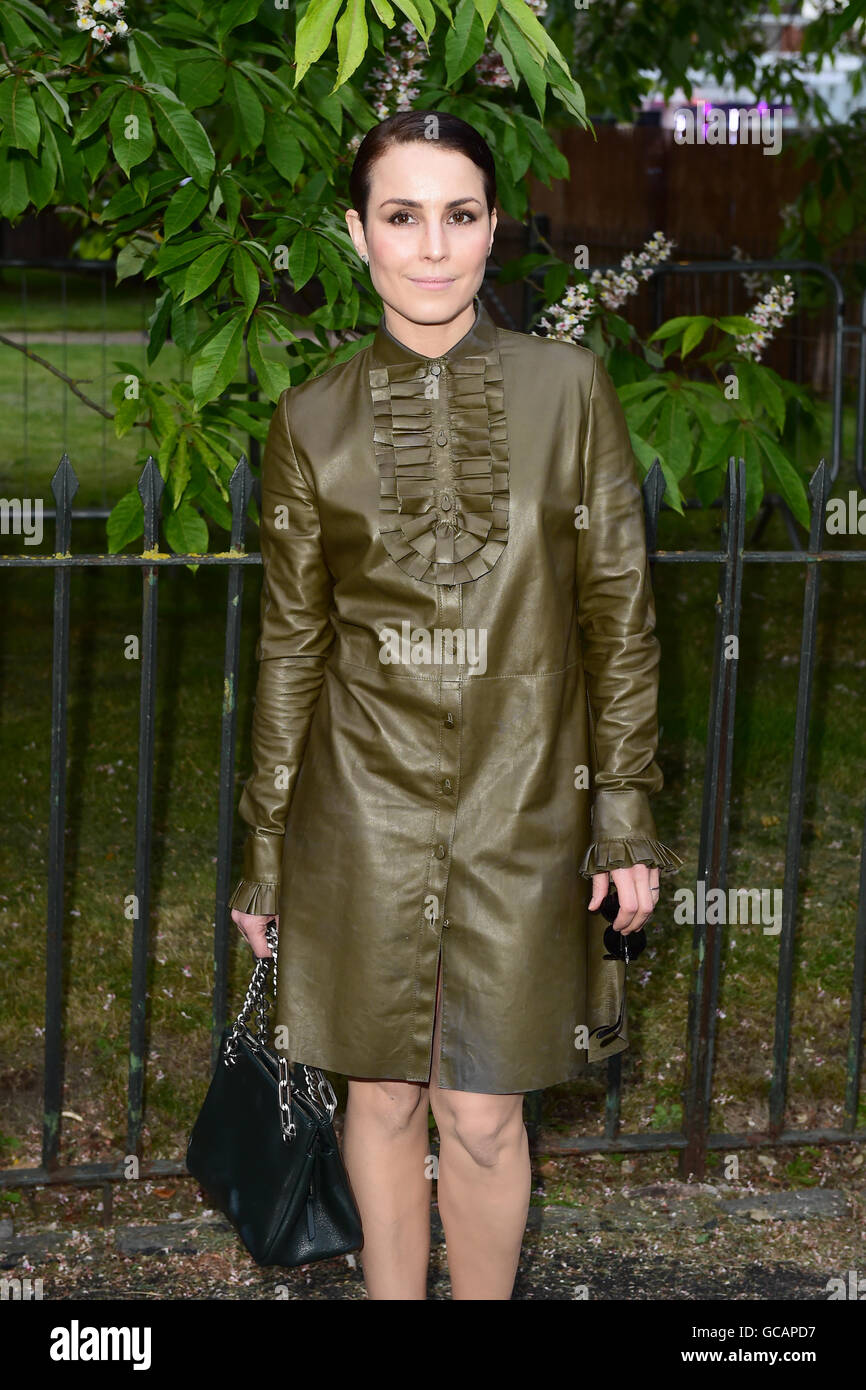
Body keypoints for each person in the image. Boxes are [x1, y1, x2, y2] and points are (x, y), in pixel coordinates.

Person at [229, 110, 683, 1300]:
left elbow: (618, 618)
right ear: (356, 233)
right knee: (379, 1093)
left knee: (482, 1112)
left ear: (492, 230)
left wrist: (623, 814)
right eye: (401, 215)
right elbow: (290, 647)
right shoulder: (307, 420)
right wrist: (263, 852)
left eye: (459, 215)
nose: (431, 247)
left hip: (527, 797)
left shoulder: (569, 390)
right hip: (358, 807)